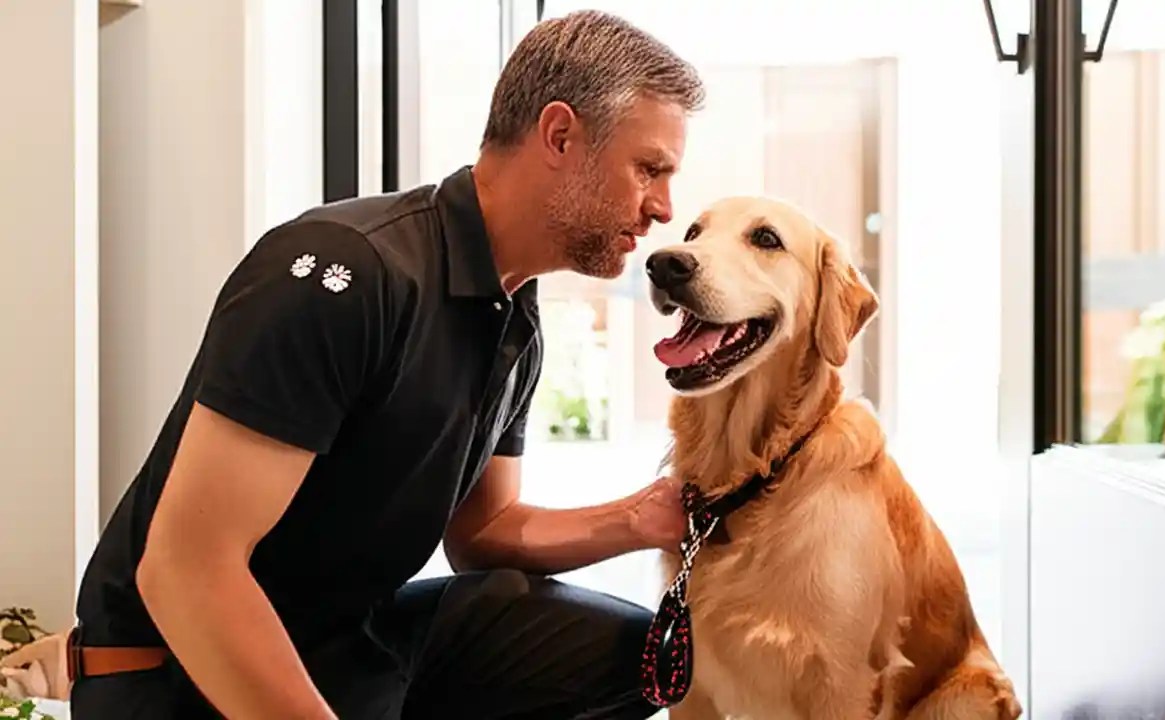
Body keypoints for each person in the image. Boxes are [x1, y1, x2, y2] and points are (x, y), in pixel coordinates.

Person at [69, 10, 706, 719]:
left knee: (642, 659)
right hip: (176, 670)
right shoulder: (344, 274)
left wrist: (641, 518)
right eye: (649, 169)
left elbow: (482, 534)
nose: (662, 207)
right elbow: (186, 572)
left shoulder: (514, 319)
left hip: (347, 639)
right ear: (559, 135)